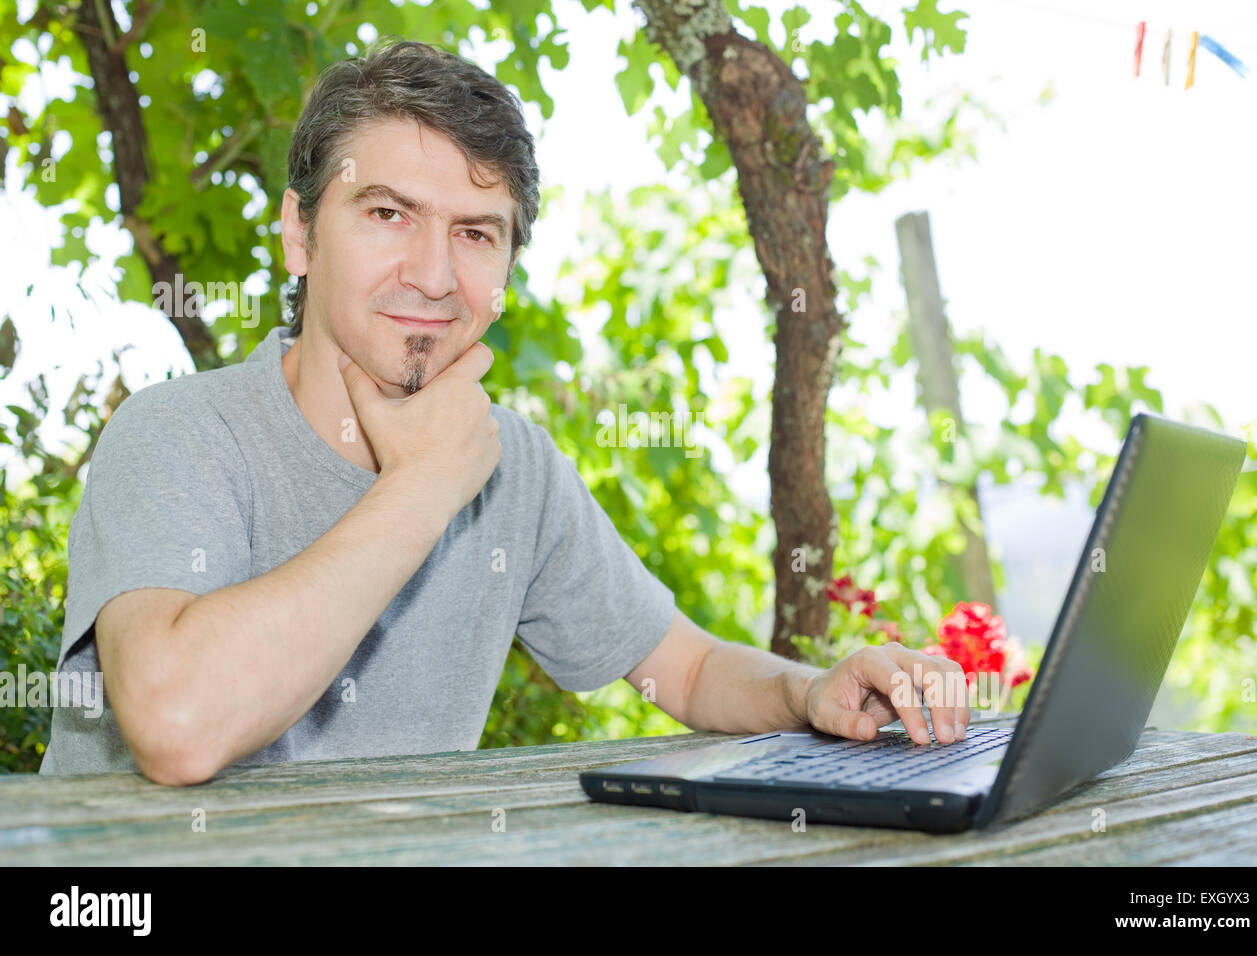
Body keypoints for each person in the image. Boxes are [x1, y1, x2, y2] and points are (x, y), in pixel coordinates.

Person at [40, 38, 968, 785]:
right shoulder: (178, 434)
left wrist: (814, 692)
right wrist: (425, 486)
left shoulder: (513, 469)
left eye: (475, 234)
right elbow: (175, 725)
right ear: (298, 230)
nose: (435, 277)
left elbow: (680, 667)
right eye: (389, 214)